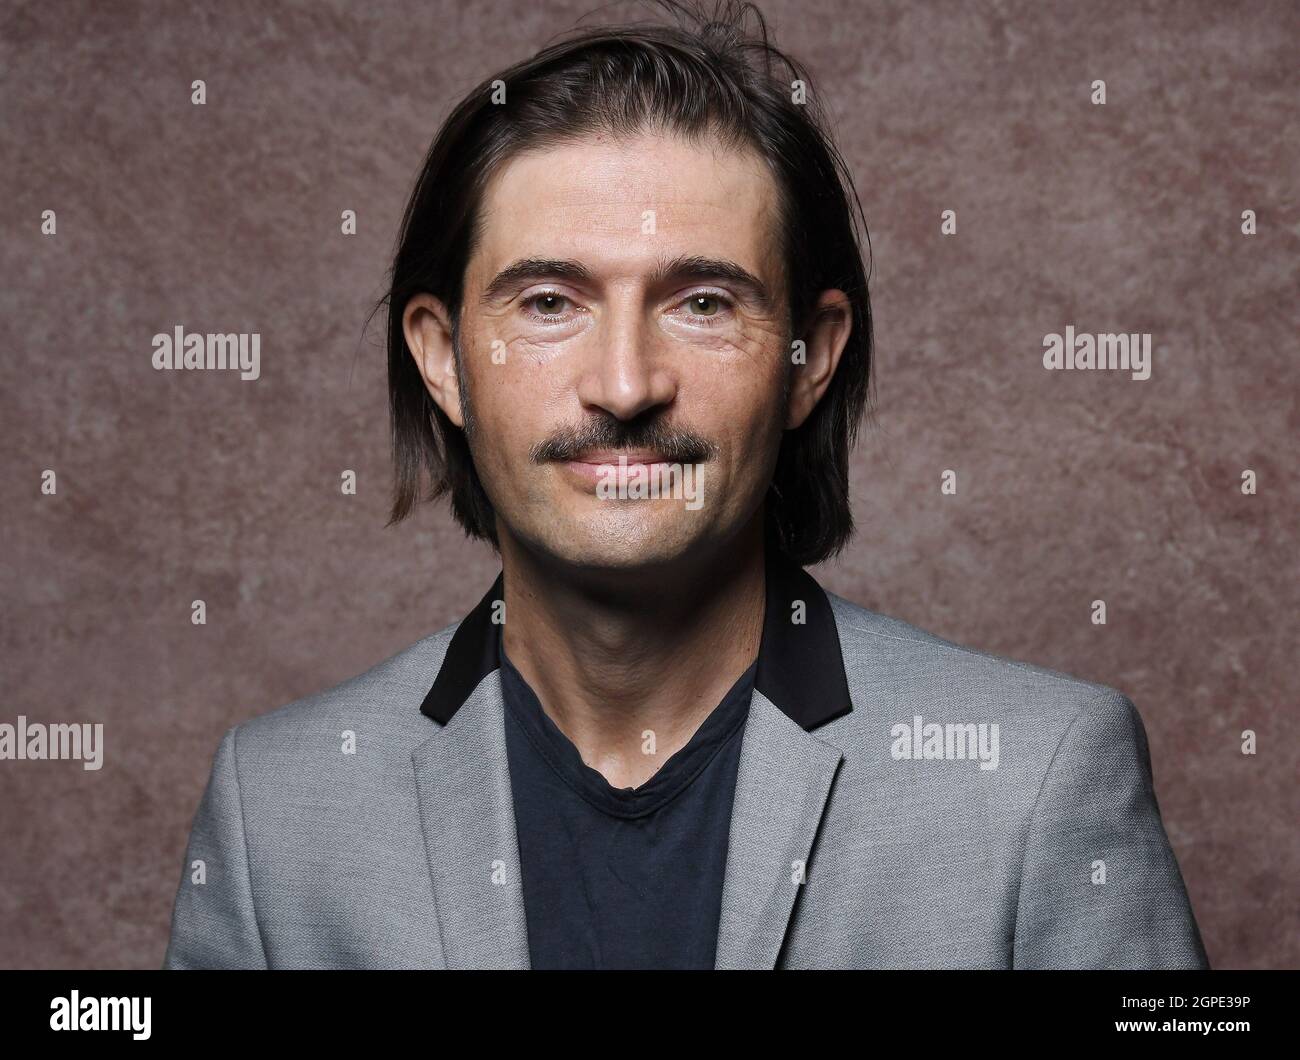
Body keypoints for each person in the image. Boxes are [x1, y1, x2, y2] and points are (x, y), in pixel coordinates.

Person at [164, 0, 1208, 970]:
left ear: (809, 357)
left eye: (703, 301)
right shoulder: (279, 812)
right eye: (547, 302)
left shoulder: (1034, 779)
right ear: (443, 358)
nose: (624, 385)